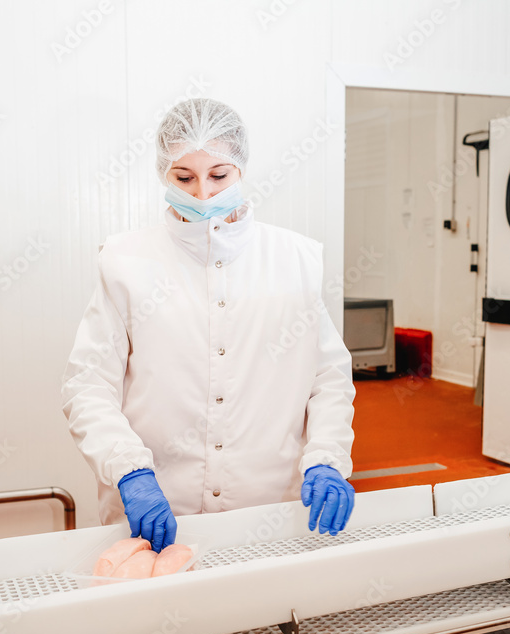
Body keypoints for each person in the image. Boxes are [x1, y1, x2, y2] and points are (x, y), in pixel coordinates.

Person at [61, 98, 356, 552]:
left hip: (267, 511)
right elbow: (88, 385)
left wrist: (327, 458)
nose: (203, 193)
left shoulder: (294, 260)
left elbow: (329, 378)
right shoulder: (126, 262)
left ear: (240, 169)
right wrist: (129, 471)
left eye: (218, 175)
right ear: (164, 173)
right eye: (185, 177)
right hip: (155, 513)